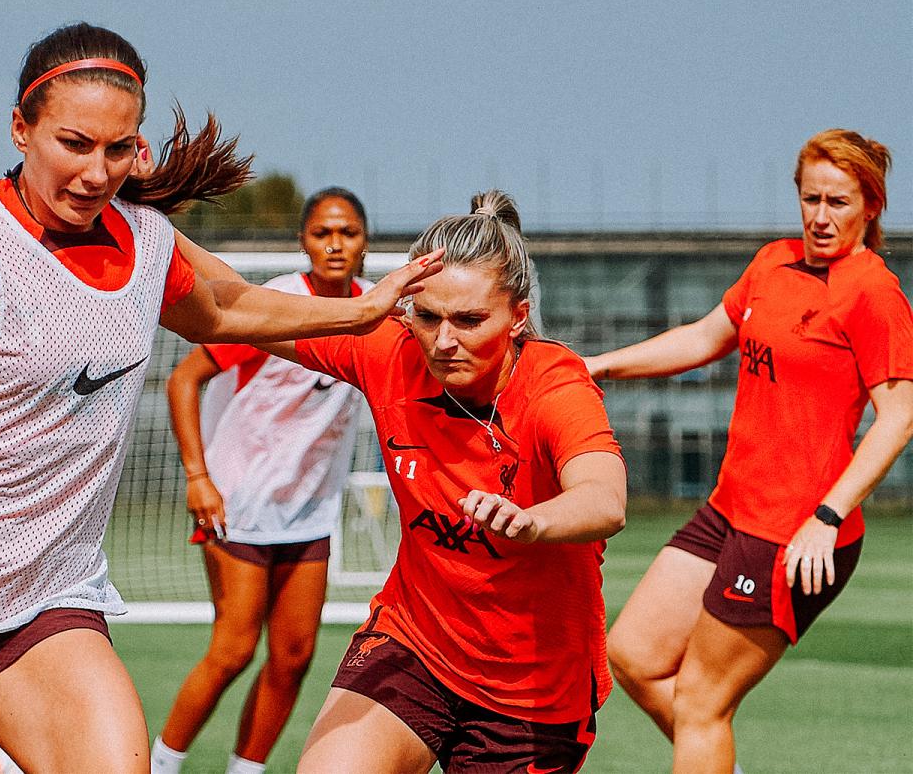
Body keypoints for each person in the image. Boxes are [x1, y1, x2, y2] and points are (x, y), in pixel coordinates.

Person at [0, 23, 442, 774]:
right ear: (20, 130)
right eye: (75, 143)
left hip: (41, 595)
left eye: (118, 149)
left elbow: (228, 311)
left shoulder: (144, 241)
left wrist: (364, 310)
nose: (96, 172)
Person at [258, 190, 627, 774]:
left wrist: (535, 522)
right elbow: (222, 308)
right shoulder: (391, 351)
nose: (444, 340)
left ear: (518, 317)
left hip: (531, 692)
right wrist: (133, 224)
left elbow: (605, 498)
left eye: (470, 320)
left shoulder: (555, 386)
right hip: (416, 646)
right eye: (427, 317)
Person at [589, 129, 913, 774]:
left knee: (703, 704)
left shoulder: (872, 294)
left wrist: (825, 519)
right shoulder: (773, 262)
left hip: (793, 535)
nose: (822, 217)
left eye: (840, 202)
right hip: (729, 510)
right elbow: (705, 336)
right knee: (631, 654)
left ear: (871, 206)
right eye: (811, 198)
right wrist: (597, 367)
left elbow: (899, 417)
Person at [151, 187, 374, 774]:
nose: (334, 244)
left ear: (364, 243)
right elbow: (183, 380)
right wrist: (199, 479)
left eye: (347, 233)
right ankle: (158, 764)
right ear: (304, 240)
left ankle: (244, 771)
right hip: (238, 503)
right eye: (322, 233)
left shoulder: (371, 313)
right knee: (234, 649)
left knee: (295, 656)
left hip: (310, 511)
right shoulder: (272, 303)